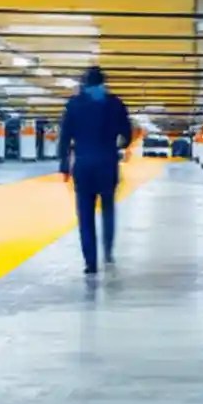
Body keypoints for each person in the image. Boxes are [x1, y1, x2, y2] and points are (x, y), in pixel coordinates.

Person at [58, 66, 133, 274]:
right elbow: (127, 133)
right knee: (108, 208)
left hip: (83, 165)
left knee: (85, 214)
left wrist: (64, 165)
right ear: (103, 82)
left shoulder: (74, 104)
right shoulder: (115, 103)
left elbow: (64, 137)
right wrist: (119, 145)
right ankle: (108, 251)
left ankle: (90, 263)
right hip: (108, 164)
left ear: (84, 82)